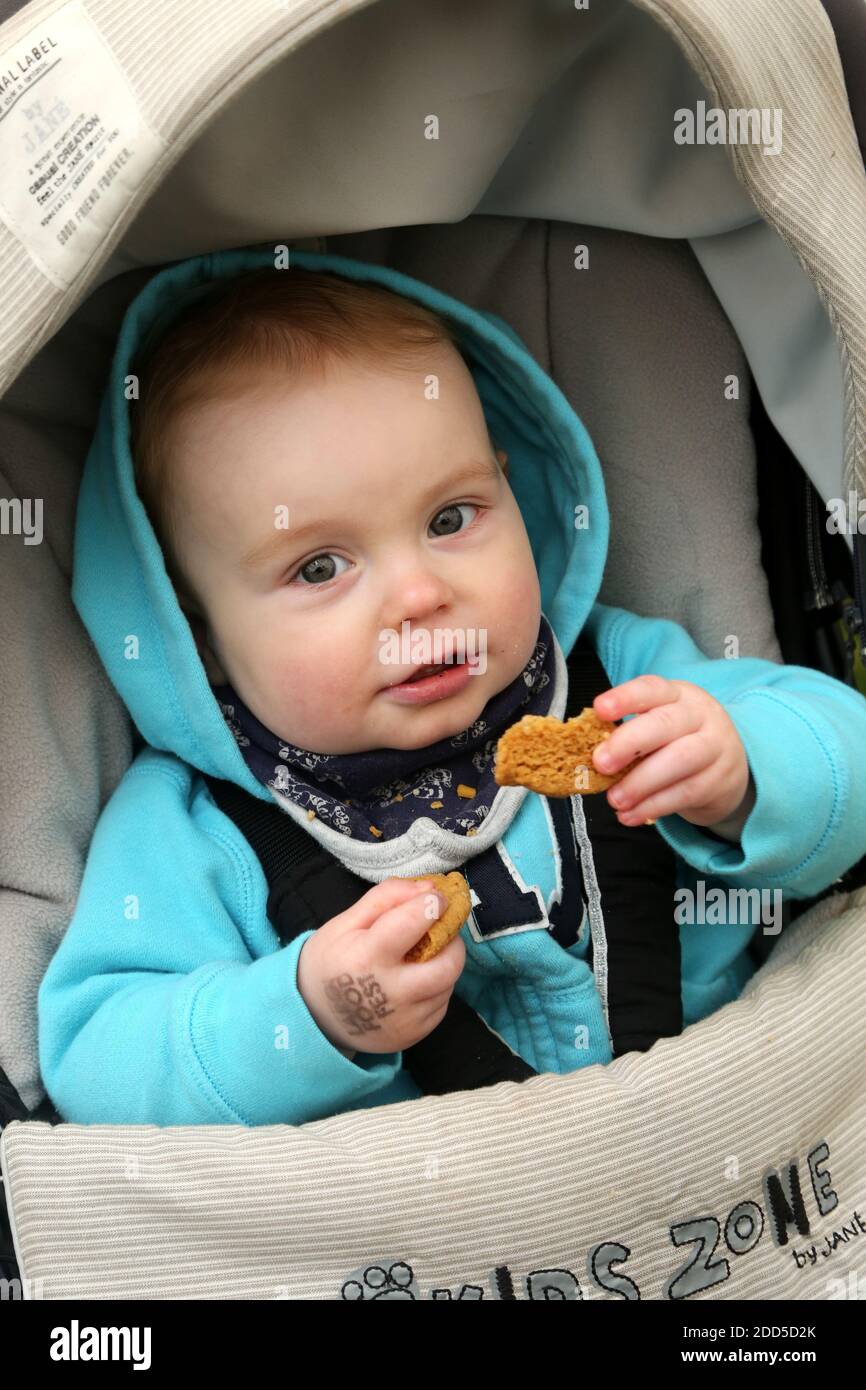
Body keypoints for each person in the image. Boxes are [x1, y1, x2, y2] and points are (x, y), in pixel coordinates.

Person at [37, 249, 866, 1125]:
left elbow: (847, 752)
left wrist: (746, 776)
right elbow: (97, 1061)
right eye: (320, 566)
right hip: (436, 1237)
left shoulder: (617, 680)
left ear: (515, 492)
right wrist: (307, 1014)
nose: (419, 595)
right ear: (196, 635)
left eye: (450, 519)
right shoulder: (194, 830)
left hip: (732, 1136)